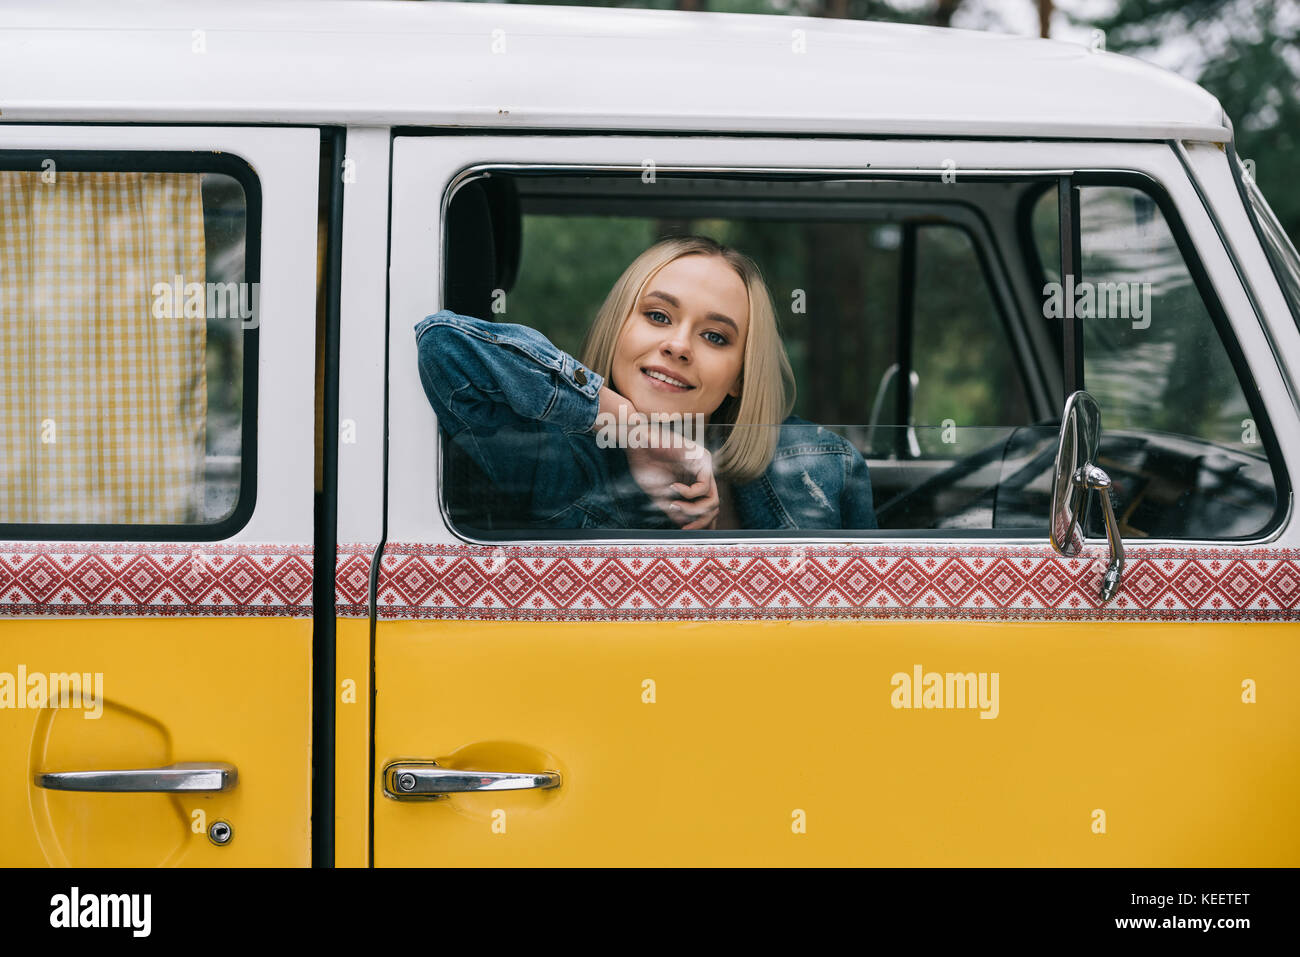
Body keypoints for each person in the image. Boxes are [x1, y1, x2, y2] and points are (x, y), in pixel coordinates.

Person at [415, 235, 877, 531]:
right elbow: (443, 343)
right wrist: (630, 426)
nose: (678, 346)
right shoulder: (546, 456)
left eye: (715, 336)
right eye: (658, 316)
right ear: (618, 327)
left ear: (740, 376)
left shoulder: (825, 465)